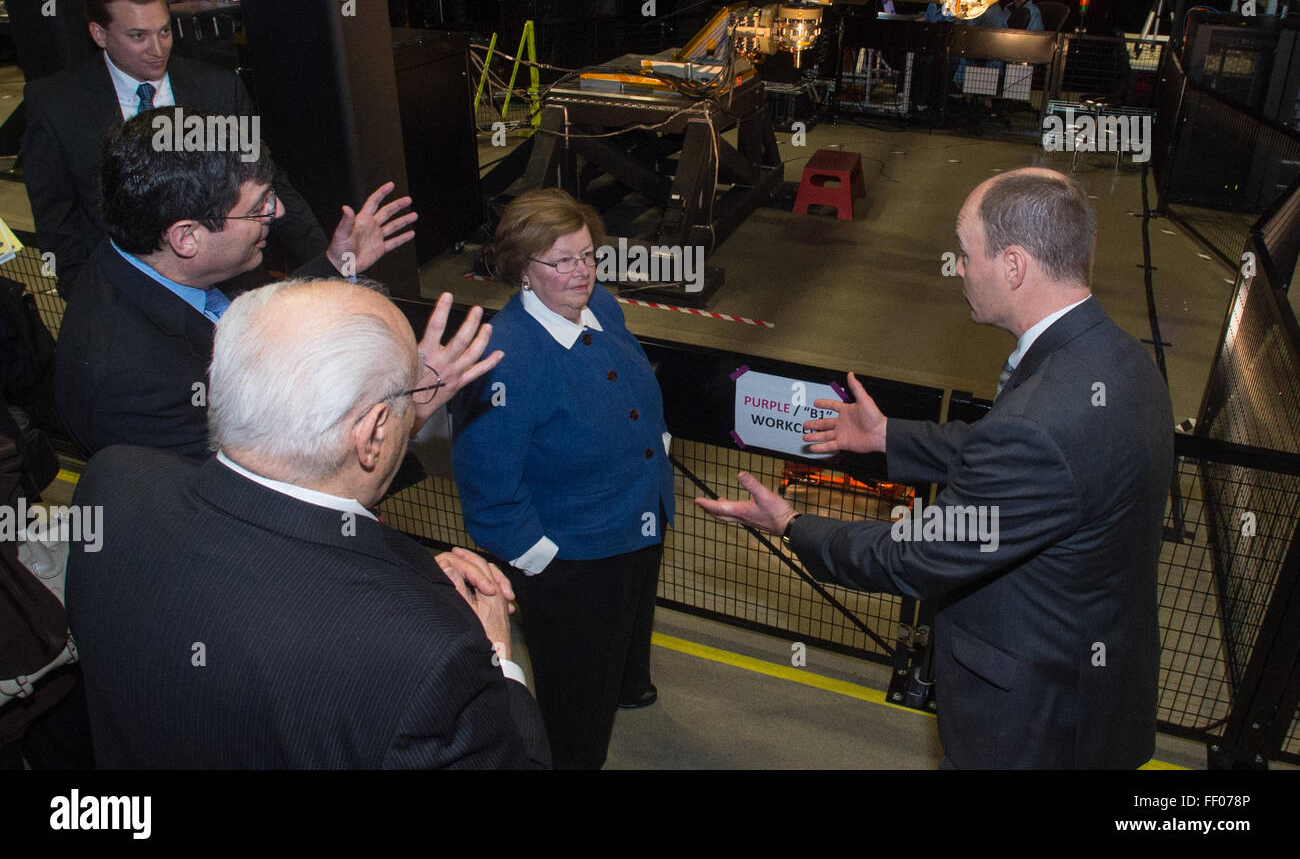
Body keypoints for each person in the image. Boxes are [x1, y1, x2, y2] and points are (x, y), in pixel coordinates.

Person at [698, 168, 1174, 769]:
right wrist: (888, 436)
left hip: (1031, 728)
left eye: (965, 253)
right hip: (1097, 694)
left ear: (1014, 265)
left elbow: (914, 555)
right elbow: (1024, 464)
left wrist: (793, 525)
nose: (957, 269)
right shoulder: (1123, 363)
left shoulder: (1040, 423)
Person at [64, 277, 547, 768]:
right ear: (374, 431)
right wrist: (499, 659)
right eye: (410, 392)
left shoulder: (113, 481)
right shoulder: (431, 655)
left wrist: (401, 413)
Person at [54, 106, 421, 461]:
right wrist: (405, 417)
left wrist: (339, 263)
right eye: (259, 204)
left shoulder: (150, 255)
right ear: (186, 238)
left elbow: (256, 321)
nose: (277, 213)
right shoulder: (132, 388)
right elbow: (246, 487)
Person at [452, 188, 674, 769]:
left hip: (639, 524)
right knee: (576, 705)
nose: (583, 272)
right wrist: (544, 560)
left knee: (621, 641)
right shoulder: (505, 357)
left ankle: (628, 686)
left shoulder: (603, 306)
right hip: (572, 562)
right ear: (523, 268)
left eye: (588, 254)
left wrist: (657, 450)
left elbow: (627, 386)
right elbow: (488, 488)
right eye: (563, 261)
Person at [22, 0, 326, 298]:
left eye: (164, 31)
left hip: (228, 283)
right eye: (138, 36)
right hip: (124, 292)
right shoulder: (55, 103)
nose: (157, 48)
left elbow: (266, 179)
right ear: (99, 34)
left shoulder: (219, 89)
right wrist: (80, 291)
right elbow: (56, 216)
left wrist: (326, 258)